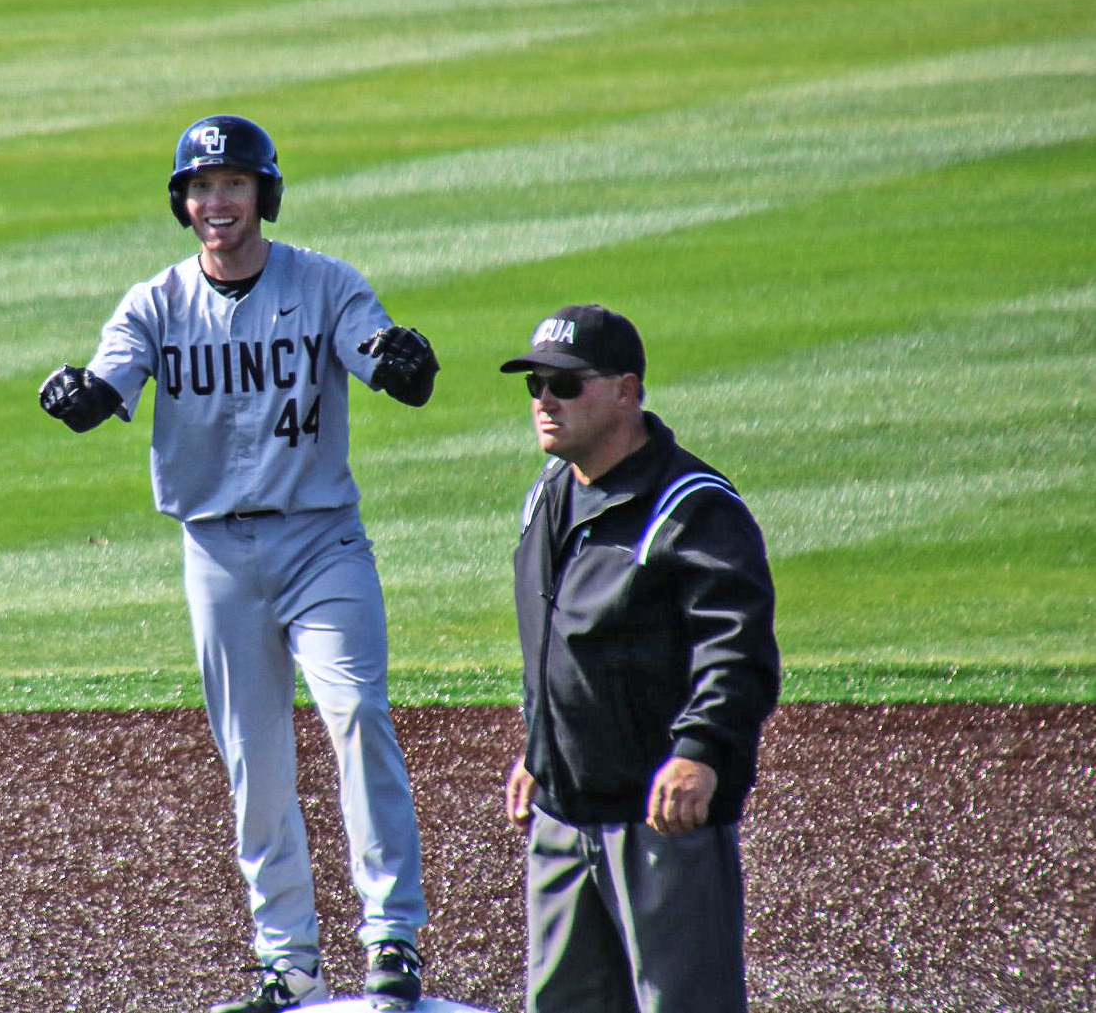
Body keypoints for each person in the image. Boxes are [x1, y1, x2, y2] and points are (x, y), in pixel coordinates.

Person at [38, 114, 438, 1013]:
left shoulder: (325, 283)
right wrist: (77, 395)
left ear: (263, 193)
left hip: (321, 539)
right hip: (216, 552)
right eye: (200, 187)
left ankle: (391, 938)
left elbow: (381, 357)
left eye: (232, 184)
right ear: (181, 202)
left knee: (356, 712)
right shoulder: (154, 302)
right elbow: (109, 383)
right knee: (253, 760)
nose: (215, 201)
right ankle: (289, 960)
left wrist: (403, 362)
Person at [498, 304, 780, 1013]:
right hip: (562, 815)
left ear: (625, 390)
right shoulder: (548, 497)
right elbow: (551, 644)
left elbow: (737, 649)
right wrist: (540, 747)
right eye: (534, 384)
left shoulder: (692, 506)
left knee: (681, 1001)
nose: (544, 401)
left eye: (565, 384)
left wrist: (701, 750)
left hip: (660, 819)